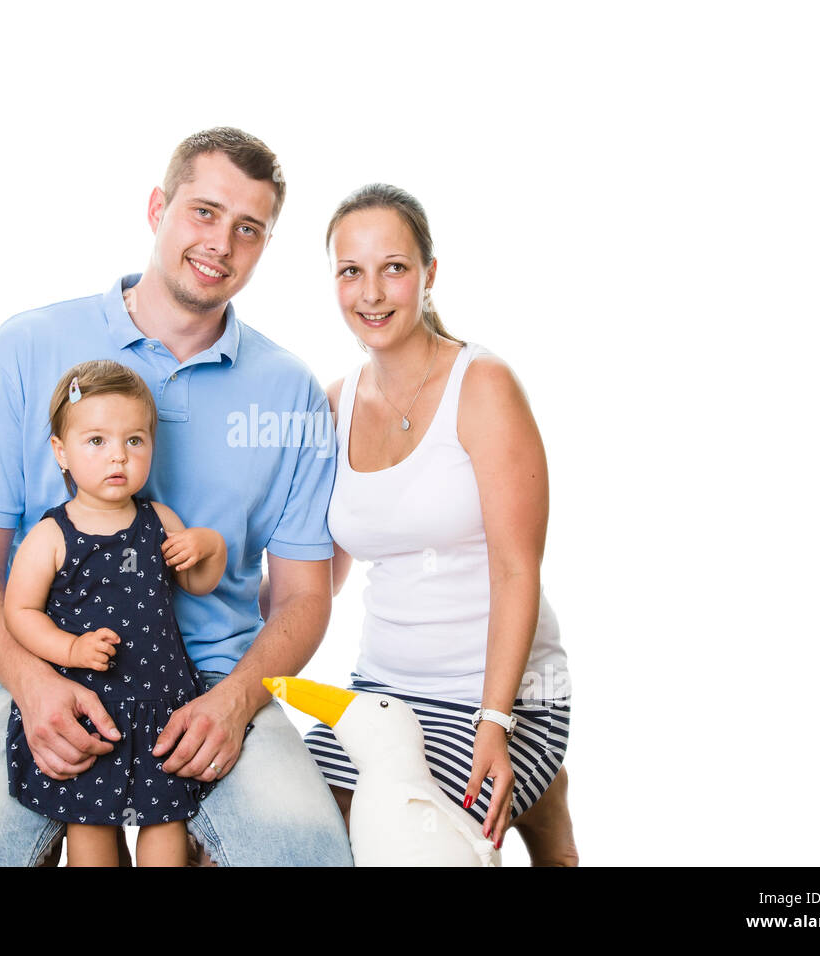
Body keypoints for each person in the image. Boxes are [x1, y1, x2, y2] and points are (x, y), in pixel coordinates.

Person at [0, 127, 353, 866]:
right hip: (49, 673)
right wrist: (33, 683)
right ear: (157, 208)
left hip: (216, 680)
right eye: (204, 212)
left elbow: (305, 598)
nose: (221, 244)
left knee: (306, 854)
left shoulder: (289, 392)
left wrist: (236, 702)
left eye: (249, 229)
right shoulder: (28, 346)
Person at [301, 183, 579, 866]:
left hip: (499, 697)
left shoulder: (482, 386)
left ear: (428, 275)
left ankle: (543, 793)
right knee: (289, 835)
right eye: (350, 271)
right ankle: (546, 813)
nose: (371, 292)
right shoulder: (331, 405)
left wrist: (495, 722)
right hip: (382, 697)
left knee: (393, 844)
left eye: (392, 267)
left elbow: (518, 568)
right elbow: (317, 579)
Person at [4, 360, 227, 866]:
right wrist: (71, 648)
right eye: (96, 441)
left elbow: (197, 583)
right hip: (90, 709)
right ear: (61, 452)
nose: (118, 458)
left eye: (134, 441)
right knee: (89, 825)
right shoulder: (53, 535)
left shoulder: (158, 520)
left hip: (160, 703)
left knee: (166, 820)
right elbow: (19, 612)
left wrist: (209, 547)